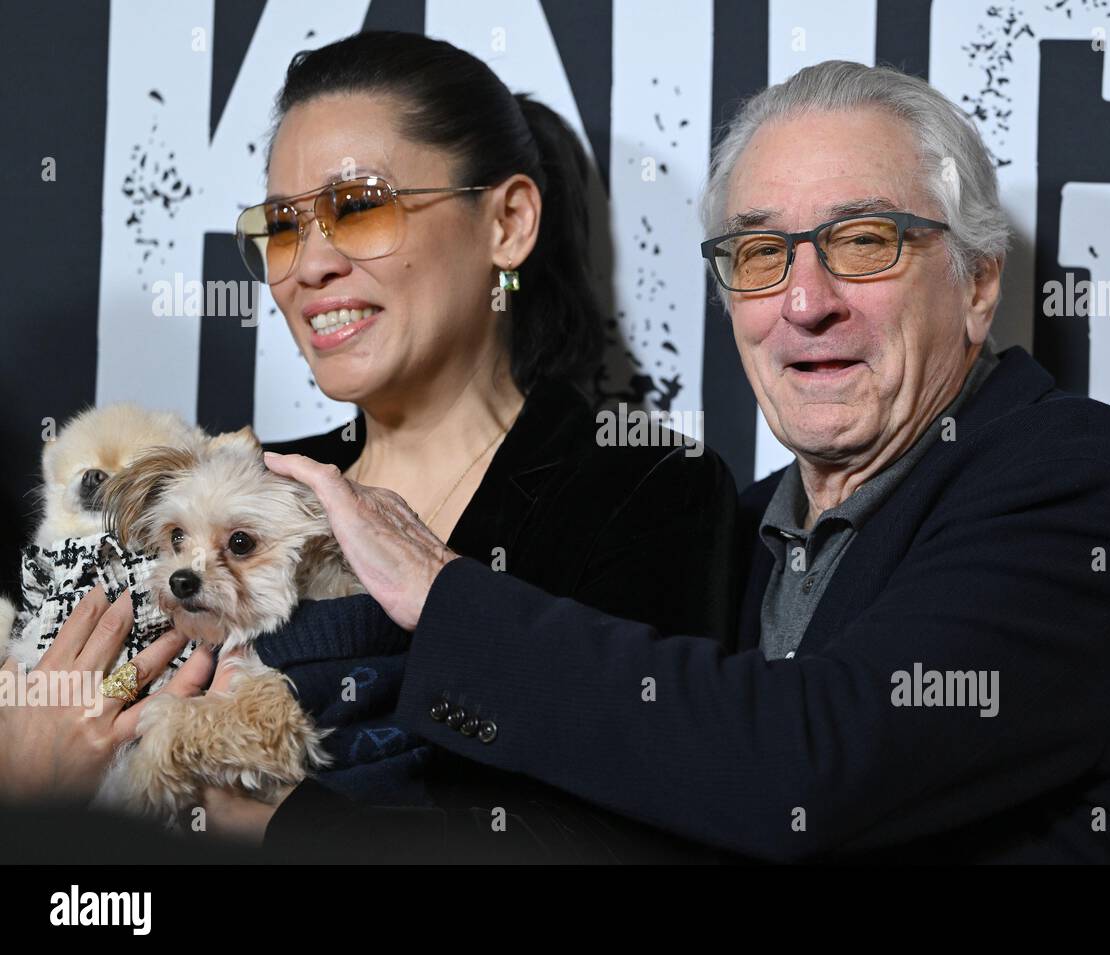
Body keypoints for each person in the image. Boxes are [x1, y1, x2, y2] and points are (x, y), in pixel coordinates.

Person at [216, 59, 1110, 864]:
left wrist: (442, 594)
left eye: (861, 242)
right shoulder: (749, 528)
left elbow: (809, 766)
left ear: (978, 282)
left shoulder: (1069, 475)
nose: (804, 301)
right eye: (760, 254)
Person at [0, 31, 735, 863]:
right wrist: (27, 792)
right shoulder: (238, 484)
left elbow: (626, 834)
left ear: (509, 221)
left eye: (357, 206)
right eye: (282, 226)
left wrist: (295, 826)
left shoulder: (642, 492)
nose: (308, 264)